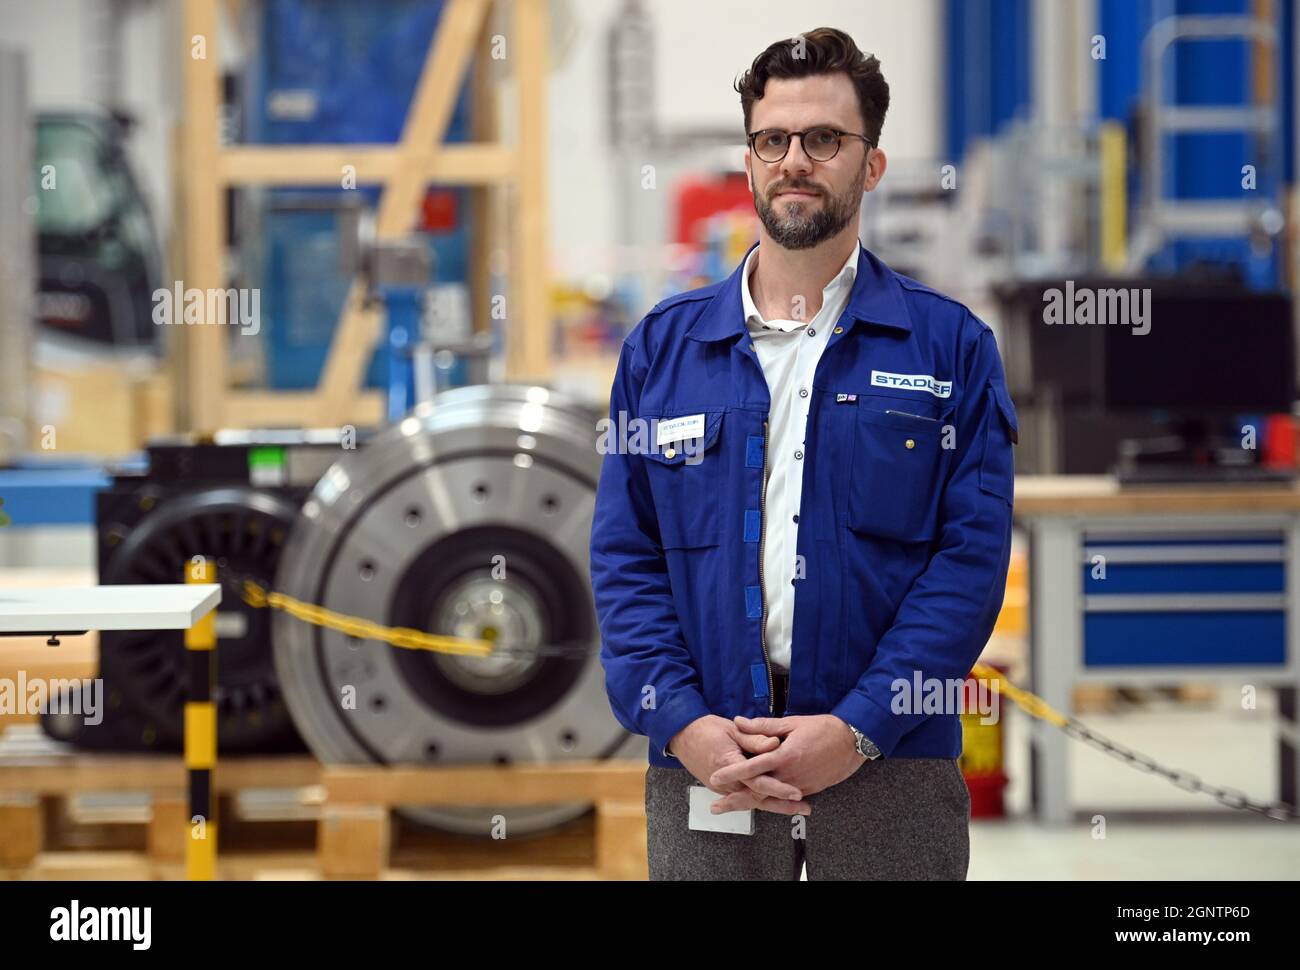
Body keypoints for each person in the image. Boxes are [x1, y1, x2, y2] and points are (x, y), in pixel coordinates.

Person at [589, 26, 1017, 880]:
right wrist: (684, 724)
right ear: (748, 162)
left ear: (872, 164)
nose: (795, 159)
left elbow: (968, 568)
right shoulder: (664, 353)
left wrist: (859, 727)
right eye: (773, 140)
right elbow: (624, 559)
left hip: (893, 767)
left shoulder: (949, 349)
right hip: (713, 764)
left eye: (824, 139)